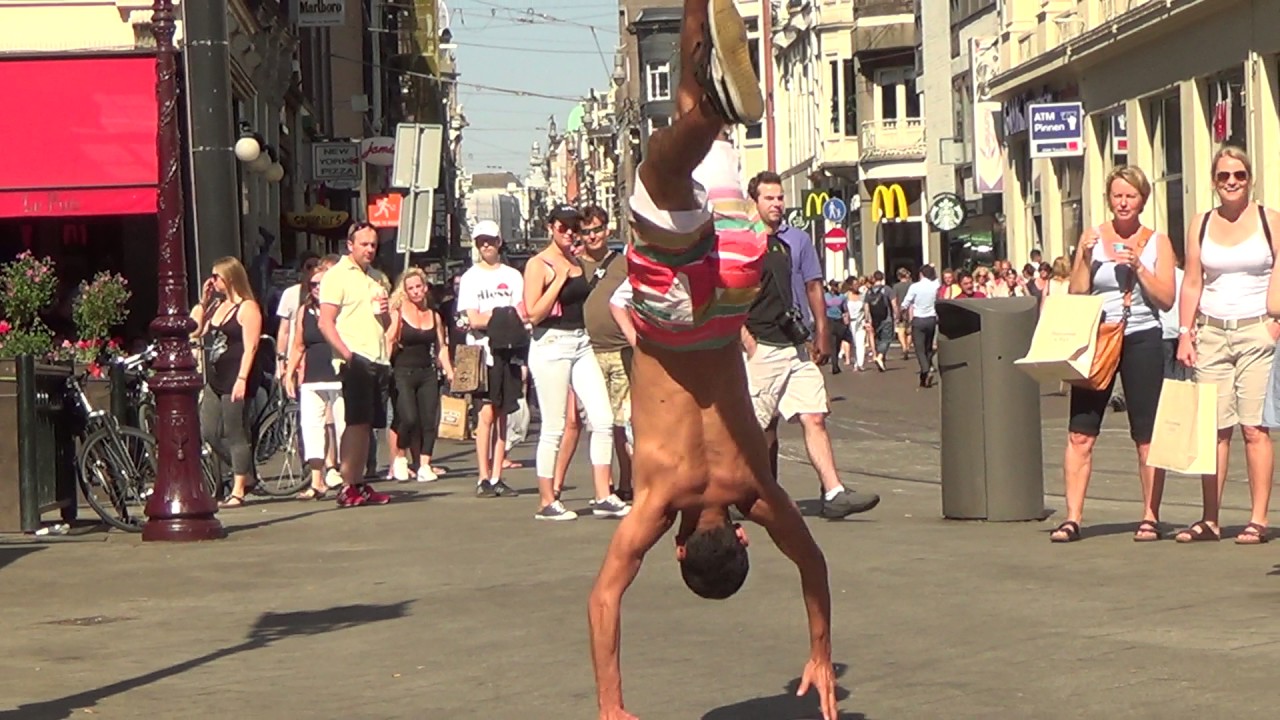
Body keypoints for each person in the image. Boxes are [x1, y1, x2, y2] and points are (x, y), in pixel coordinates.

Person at [588, 1, 840, 717]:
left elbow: (813, 563)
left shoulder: (755, 489)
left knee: (696, 123)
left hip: (734, 287)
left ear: (742, 538)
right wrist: (610, 705)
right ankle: (710, 113)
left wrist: (821, 653)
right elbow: (605, 597)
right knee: (659, 175)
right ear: (677, 552)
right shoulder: (655, 501)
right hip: (674, 319)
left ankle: (707, 61)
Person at [742, 170, 879, 517]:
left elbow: (812, 284)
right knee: (757, 427)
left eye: (780, 197)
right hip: (762, 345)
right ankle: (745, 495)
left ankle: (834, 493)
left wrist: (820, 331)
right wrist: (747, 341)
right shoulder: (742, 242)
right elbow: (726, 296)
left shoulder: (793, 240)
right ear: (753, 202)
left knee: (814, 415)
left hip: (795, 344)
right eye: (769, 198)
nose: (776, 204)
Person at [1050, 165, 1176, 543]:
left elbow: (1167, 299)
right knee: (1081, 432)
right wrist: (1084, 255)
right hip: (1099, 338)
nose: (1123, 203)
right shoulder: (1093, 237)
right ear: (1109, 199)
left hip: (1143, 337)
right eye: (1117, 196)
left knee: (1146, 435)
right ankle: (1072, 517)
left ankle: (1150, 516)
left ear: (1142, 200)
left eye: (1130, 196)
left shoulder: (1157, 242)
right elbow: (1077, 291)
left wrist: (1139, 267)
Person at [1177, 146, 1280, 544]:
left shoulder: (1270, 220)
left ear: (1250, 179)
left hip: (1258, 332)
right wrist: (1185, 332)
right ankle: (1210, 518)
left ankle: (1258, 519)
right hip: (1211, 333)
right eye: (1224, 176)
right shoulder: (1201, 223)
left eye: (1239, 175)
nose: (1232, 182)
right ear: (1214, 181)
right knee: (1215, 430)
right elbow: (1192, 281)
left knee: (1254, 428)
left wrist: (1275, 324)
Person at [524, 204, 627, 521]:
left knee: (603, 418)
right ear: (550, 227)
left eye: (574, 227)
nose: (569, 232)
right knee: (554, 426)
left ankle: (603, 495)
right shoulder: (538, 264)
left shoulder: (576, 260)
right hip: (551, 344)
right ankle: (546, 501)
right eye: (563, 227)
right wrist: (558, 280)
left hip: (581, 343)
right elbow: (533, 313)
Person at [554, 205, 636, 502]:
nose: (592, 236)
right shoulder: (574, 266)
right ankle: (555, 487)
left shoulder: (623, 263)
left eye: (597, 230)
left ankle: (625, 484)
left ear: (607, 229)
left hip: (621, 352)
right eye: (586, 231)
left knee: (620, 423)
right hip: (585, 352)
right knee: (573, 421)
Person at [316, 222, 393, 508]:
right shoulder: (337, 276)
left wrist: (384, 313)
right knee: (356, 421)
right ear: (350, 245)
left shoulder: (375, 278)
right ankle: (347, 484)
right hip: (356, 356)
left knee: (368, 424)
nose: (370, 249)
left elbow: (385, 323)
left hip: (377, 356)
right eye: (364, 244)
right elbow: (325, 321)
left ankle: (358, 482)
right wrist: (347, 354)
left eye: (373, 245)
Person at [456, 220, 524, 498]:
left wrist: (495, 317)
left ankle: (497, 475)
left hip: (509, 350)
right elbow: (473, 318)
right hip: (483, 353)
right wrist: (501, 316)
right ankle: (483, 477)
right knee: (485, 414)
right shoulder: (471, 277)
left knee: (503, 414)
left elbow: (520, 314)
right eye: (481, 241)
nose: (486, 245)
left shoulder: (513, 276)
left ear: (499, 242)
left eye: (490, 240)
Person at [192, 256, 263, 507]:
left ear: (230, 278)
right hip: (216, 377)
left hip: (236, 375)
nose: (212, 281)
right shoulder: (216, 306)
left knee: (235, 431)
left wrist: (242, 378)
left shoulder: (247, 307)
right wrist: (203, 301)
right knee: (209, 431)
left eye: (217, 276)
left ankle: (239, 487)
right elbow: (195, 330)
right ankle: (245, 471)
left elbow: (251, 346)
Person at [283, 255, 346, 499]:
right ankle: (317, 481)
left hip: (339, 375)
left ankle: (348, 478)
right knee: (311, 429)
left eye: (322, 283)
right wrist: (290, 373)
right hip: (312, 378)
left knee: (343, 428)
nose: (318, 288)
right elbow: (298, 345)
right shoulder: (304, 311)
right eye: (313, 284)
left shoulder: (341, 310)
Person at [387, 267, 454, 484]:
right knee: (408, 417)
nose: (416, 291)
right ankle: (400, 457)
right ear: (405, 291)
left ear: (425, 288)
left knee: (429, 420)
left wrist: (450, 371)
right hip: (402, 372)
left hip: (427, 372)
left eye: (419, 286)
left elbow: (441, 347)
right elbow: (389, 340)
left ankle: (425, 464)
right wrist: (383, 367)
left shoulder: (434, 316)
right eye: (411, 288)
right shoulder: (398, 312)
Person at [901, 265, 941, 388]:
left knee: (919, 349)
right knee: (928, 347)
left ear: (921, 274)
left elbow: (906, 303)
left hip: (918, 319)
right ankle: (925, 376)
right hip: (931, 319)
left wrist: (901, 313)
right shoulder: (935, 286)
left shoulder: (915, 287)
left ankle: (926, 369)